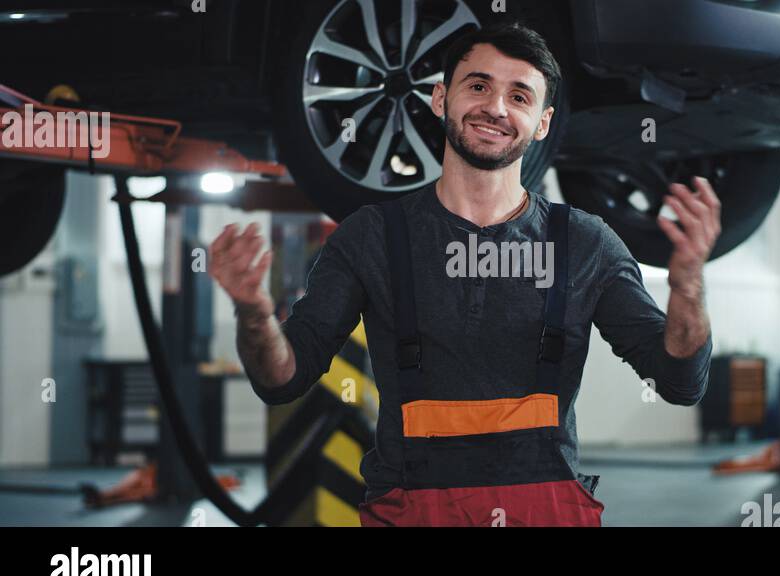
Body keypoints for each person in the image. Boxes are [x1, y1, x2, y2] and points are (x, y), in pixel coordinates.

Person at [208, 22, 719, 526]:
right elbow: (283, 380)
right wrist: (253, 310)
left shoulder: (585, 244)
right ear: (439, 98)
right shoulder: (372, 238)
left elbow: (678, 382)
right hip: (413, 510)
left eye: (520, 96)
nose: (496, 107)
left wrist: (688, 284)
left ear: (542, 123)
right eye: (479, 86)